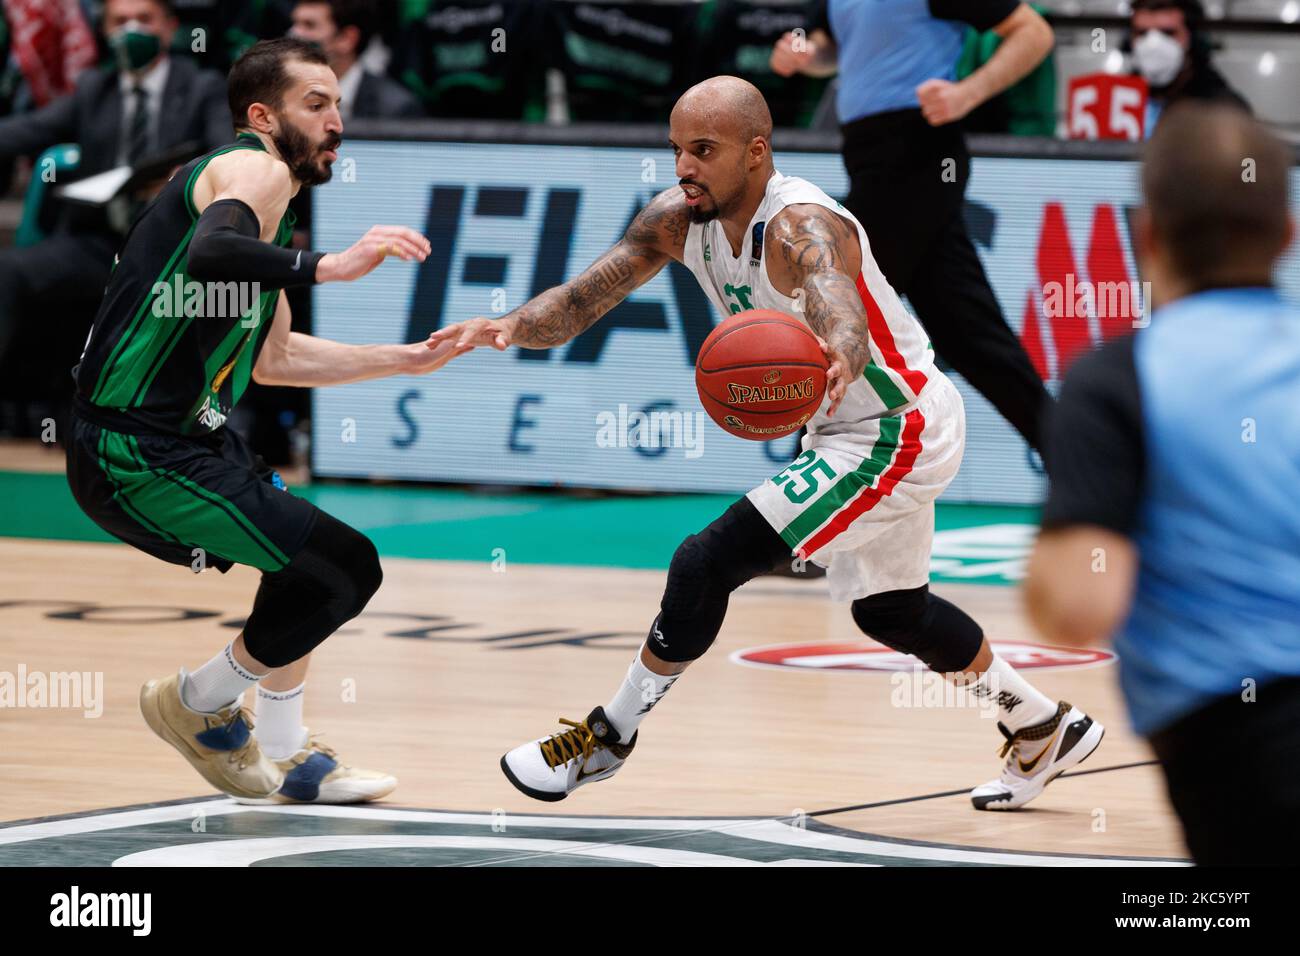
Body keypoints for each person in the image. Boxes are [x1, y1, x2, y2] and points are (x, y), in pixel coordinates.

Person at [431, 76, 1103, 810]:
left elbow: (834, 297)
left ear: (756, 152)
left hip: (896, 426)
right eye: (677, 150)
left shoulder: (802, 226)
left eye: (703, 150)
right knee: (890, 612)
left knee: (705, 560)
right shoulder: (677, 220)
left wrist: (843, 350)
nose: (684, 167)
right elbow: (581, 300)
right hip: (849, 427)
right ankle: (1042, 724)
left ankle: (608, 736)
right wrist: (504, 326)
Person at [65, 38, 463, 804]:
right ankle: (198, 701)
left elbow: (277, 358)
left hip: (186, 437)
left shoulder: (269, 213)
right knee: (347, 568)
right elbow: (214, 250)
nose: (336, 120)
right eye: (316, 104)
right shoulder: (254, 169)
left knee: (304, 565)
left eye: (339, 102)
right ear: (262, 115)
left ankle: (290, 756)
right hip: (135, 448)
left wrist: (404, 359)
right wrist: (333, 266)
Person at [1024, 103, 1298, 864]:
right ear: (1287, 234)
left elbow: (1081, 605)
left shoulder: (1115, 380)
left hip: (1241, 750)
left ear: (1145, 234)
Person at [770, 1, 1054, 453]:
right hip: (872, 159)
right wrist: (802, 50)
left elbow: (1033, 32)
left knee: (842, 306)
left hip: (920, 154)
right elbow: (831, 48)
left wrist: (968, 93)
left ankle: (800, 477)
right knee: (971, 336)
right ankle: (1080, 464)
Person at [0, 0, 229, 389]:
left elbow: (228, 156)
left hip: (172, 250)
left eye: (144, 19)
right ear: (105, 31)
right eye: (120, 21)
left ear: (169, 28)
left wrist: (188, 178)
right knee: (8, 271)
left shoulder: (201, 86)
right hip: (99, 243)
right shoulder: (95, 88)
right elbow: (29, 130)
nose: (132, 29)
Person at [1128, 0, 1249, 137]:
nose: (1153, 44)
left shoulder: (1224, 110)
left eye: (1168, 33)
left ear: (1193, 39)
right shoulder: (1111, 102)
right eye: (1142, 33)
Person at [289, 0, 423, 120]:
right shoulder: (282, 96)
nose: (294, 34)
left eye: (309, 25)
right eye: (295, 24)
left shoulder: (395, 108)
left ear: (346, 39)